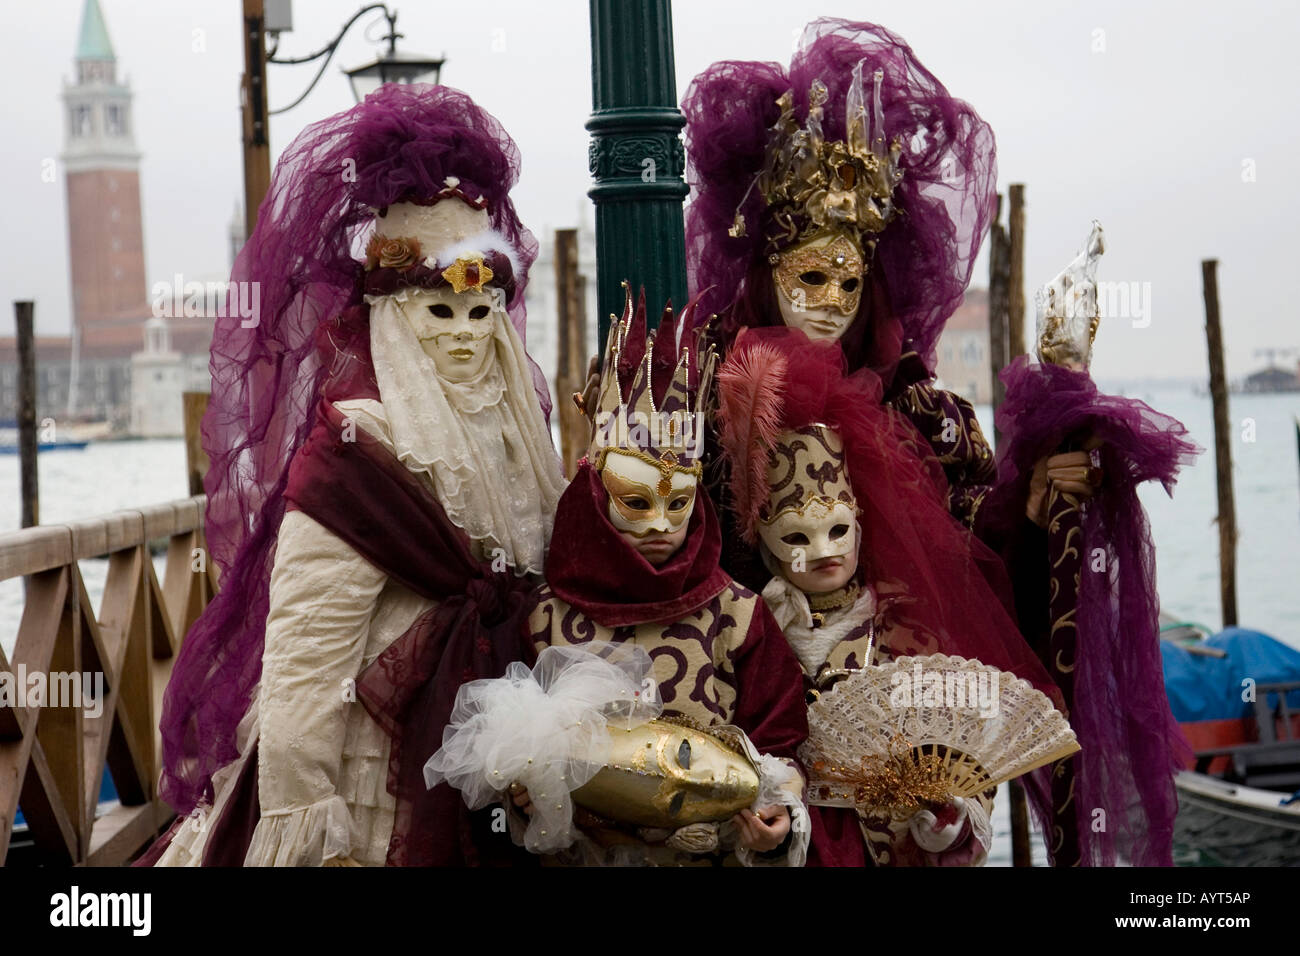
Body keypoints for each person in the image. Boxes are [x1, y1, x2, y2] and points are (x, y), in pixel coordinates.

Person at [143, 84, 565, 867]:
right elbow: (306, 656)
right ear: (393, 319)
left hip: (497, 760)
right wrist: (305, 813)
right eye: (438, 314)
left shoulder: (521, 447)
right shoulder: (358, 447)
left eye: (481, 312)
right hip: (376, 780)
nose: (468, 337)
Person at [715, 328, 1062, 865]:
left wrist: (946, 823)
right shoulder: (750, 630)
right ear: (764, 538)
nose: (824, 551)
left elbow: (965, 772)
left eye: (837, 530)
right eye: (797, 537)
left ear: (859, 521)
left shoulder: (909, 634)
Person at [518, 287, 810, 866]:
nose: (660, 525)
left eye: (677, 504)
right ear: (599, 497)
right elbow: (518, 761)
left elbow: (782, 739)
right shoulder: (544, 616)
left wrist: (777, 817)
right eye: (635, 502)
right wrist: (524, 791)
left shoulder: (738, 614)